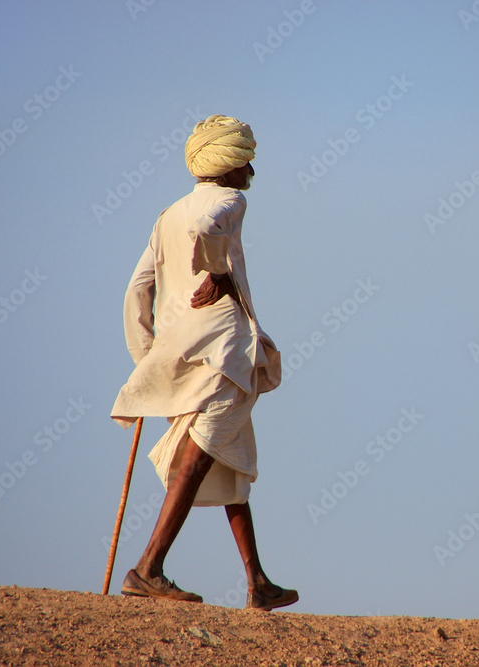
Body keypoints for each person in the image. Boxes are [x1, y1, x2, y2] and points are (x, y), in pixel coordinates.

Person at [110, 114, 297, 611]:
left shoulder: (168, 214)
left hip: (184, 358)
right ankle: (148, 568)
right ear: (229, 164)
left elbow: (136, 290)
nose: (252, 169)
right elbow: (210, 227)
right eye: (246, 160)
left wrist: (149, 361)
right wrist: (218, 272)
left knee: (229, 461)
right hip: (223, 359)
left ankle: (257, 582)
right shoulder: (230, 201)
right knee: (194, 463)